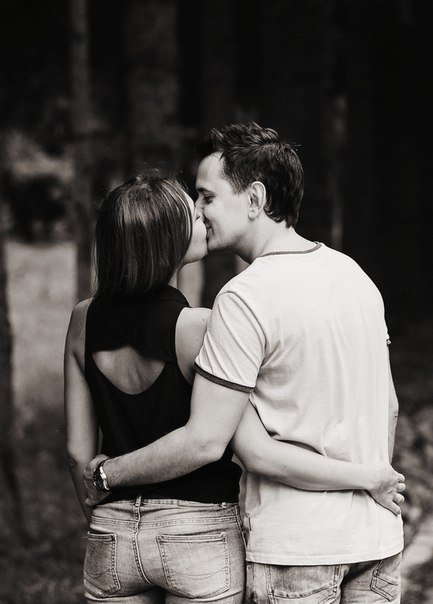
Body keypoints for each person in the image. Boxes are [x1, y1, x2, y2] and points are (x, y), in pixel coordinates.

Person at [81, 123, 405, 603]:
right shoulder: (355, 276)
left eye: (207, 196)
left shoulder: (242, 298)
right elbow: (389, 407)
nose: (197, 211)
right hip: (376, 538)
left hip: (296, 547)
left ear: (254, 199)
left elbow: (234, 447)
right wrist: (373, 480)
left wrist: (107, 473)